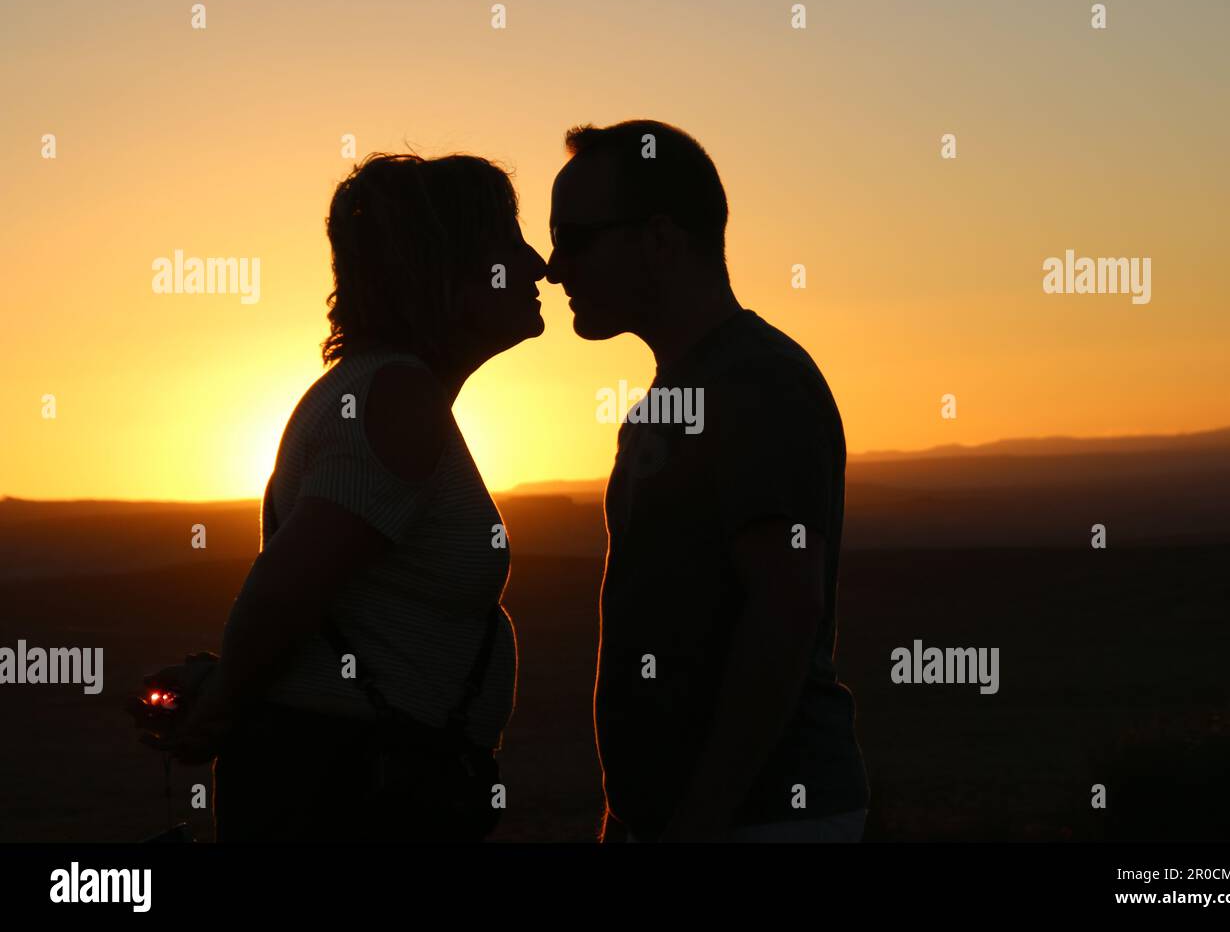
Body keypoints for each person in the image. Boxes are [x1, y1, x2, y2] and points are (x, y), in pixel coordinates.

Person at [169, 152, 548, 841]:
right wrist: (217, 708)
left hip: (345, 785)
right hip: (352, 802)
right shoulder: (397, 398)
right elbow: (285, 586)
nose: (539, 265)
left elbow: (329, 596)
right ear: (445, 271)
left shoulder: (378, 391)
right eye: (510, 243)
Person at [546, 120, 869, 842]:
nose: (553, 267)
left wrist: (696, 822)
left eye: (575, 238)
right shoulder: (674, 401)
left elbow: (786, 609)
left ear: (659, 241)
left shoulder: (757, 384)